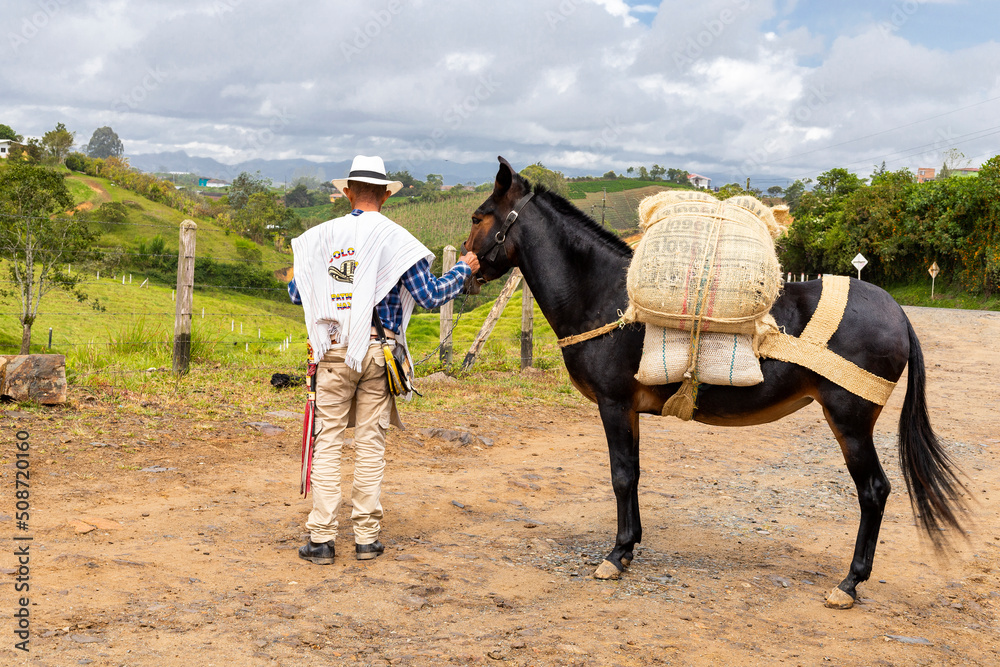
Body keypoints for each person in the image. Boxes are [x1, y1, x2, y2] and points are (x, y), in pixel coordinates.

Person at [288, 155, 480, 564]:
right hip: (380, 353)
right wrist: (462, 270)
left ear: (347, 193)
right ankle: (366, 538)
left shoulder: (323, 238)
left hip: (335, 353)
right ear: (387, 196)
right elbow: (429, 296)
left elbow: (297, 294)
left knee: (328, 443)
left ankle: (321, 539)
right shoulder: (398, 240)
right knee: (370, 443)